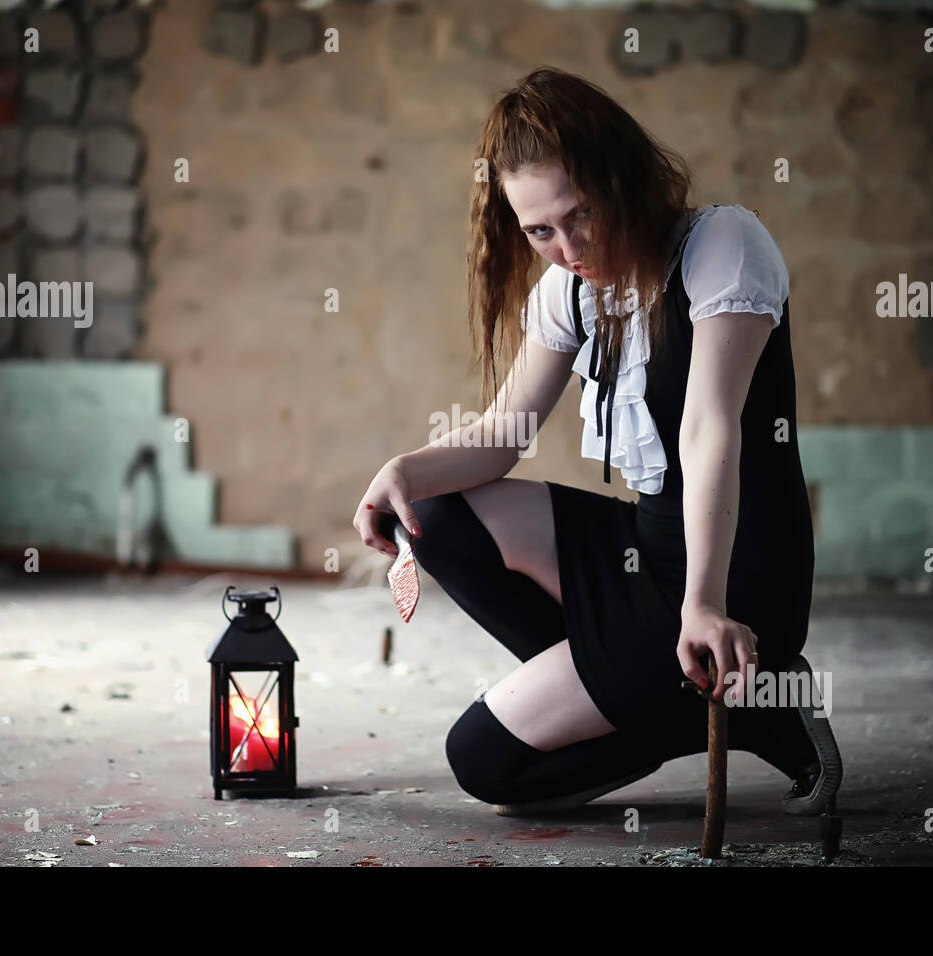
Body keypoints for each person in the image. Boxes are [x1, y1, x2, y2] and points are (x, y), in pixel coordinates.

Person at [353, 66, 842, 817]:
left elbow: (710, 429)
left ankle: (713, 674)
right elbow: (499, 436)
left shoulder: (722, 246)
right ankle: (717, 702)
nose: (565, 245)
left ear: (623, 177)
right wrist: (400, 470)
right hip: (643, 552)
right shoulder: (573, 289)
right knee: (436, 512)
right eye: (538, 229)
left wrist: (703, 604)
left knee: (484, 762)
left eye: (579, 215)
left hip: (737, 576)